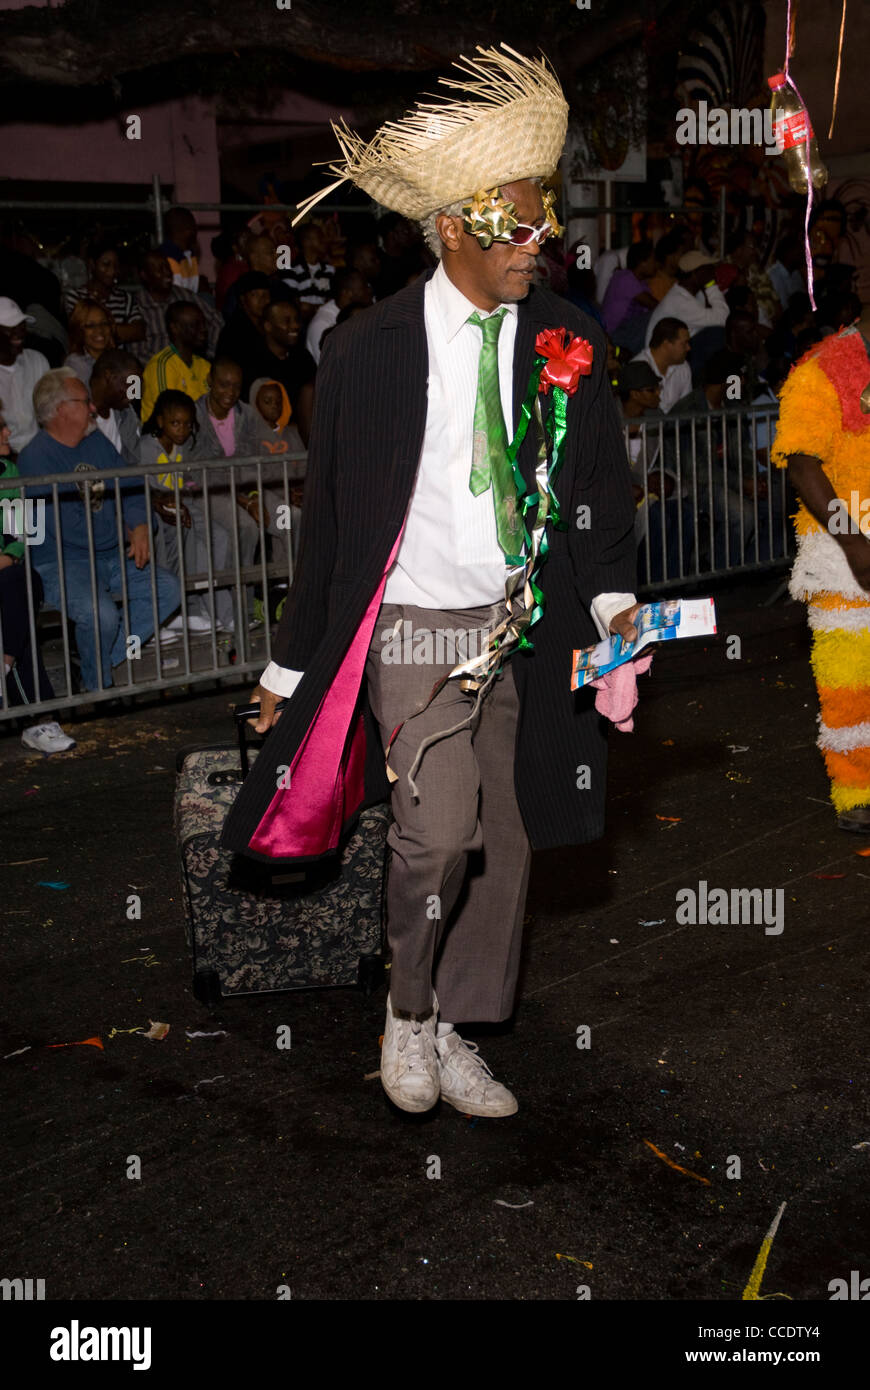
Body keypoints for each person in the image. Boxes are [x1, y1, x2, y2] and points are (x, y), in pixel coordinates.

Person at [221, 45, 640, 1119]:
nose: (538, 244)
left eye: (543, 225)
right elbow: (332, 529)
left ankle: (456, 1025)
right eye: (517, 227)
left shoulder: (570, 339)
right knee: (439, 833)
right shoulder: (366, 352)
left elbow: (598, 491)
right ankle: (407, 1011)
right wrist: (287, 669)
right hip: (413, 626)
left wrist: (614, 611)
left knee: (510, 838)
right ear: (453, 227)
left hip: (526, 627)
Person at [17, 369, 180, 691]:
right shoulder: (34, 459)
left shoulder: (95, 442)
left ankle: (97, 663)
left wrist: (140, 524)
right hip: (62, 562)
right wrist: (125, 530)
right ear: (61, 409)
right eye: (84, 401)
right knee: (101, 614)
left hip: (108, 554)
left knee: (168, 590)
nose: (93, 408)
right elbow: (68, 529)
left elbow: (131, 484)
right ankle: (99, 687)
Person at [772, 309, 870, 832]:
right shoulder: (823, 370)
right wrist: (853, 542)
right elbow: (802, 462)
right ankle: (857, 791)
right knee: (849, 681)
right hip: (842, 556)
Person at [0, 401, 75, 751]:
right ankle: (39, 719)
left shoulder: (8, 471)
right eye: (0, 427)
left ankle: (6, 663)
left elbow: (20, 533)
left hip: (4, 571)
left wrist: (6, 556)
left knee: (23, 585)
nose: (8, 432)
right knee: (17, 608)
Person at [189, 358, 264, 631]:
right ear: (210, 381)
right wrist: (243, 501)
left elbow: (252, 461)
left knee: (286, 519)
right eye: (223, 385)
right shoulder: (194, 413)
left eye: (236, 387)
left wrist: (252, 495)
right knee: (245, 526)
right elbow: (200, 469)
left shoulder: (246, 414)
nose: (230, 393)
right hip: (205, 490)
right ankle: (235, 609)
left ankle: (274, 599)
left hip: (241, 487)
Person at [617, 360, 693, 582]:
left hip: (646, 490)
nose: (659, 393)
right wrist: (628, 486)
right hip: (613, 492)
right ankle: (647, 583)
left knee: (685, 512)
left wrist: (666, 477)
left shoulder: (655, 416)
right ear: (634, 394)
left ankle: (673, 583)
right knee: (658, 516)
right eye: (652, 389)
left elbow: (668, 458)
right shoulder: (608, 417)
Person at [134, 250, 221, 366]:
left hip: (193, 364)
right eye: (159, 269)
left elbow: (216, 321)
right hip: (158, 368)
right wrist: (169, 366)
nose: (167, 272)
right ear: (144, 275)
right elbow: (138, 354)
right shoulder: (137, 305)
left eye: (167, 267)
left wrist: (209, 355)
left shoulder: (184, 295)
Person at [246, 298, 316, 442]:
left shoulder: (302, 357)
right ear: (268, 326)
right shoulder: (253, 362)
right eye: (287, 321)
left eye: (296, 320)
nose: (295, 325)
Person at [62, 239, 145, 347]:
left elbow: (138, 331)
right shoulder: (75, 297)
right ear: (92, 264)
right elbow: (77, 333)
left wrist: (95, 329)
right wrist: (119, 330)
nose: (112, 271)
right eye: (106, 264)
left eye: (116, 266)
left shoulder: (125, 298)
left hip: (117, 357)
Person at [141, 301, 211, 423]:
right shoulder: (162, 365)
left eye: (203, 323)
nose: (203, 329)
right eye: (195, 325)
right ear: (175, 328)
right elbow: (169, 417)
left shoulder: (204, 365)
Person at [645, 250, 729, 347]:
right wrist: (711, 285)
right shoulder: (680, 301)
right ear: (696, 273)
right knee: (719, 334)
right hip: (663, 354)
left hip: (678, 346)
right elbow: (723, 319)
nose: (712, 271)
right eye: (708, 268)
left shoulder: (690, 292)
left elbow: (714, 312)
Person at [0, 298, 49, 452]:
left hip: (40, 448)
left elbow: (50, 413)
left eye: (21, 326)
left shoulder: (37, 361)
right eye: (11, 327)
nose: (19, 332)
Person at [305, 268, 373, 364]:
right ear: (347, 293)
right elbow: (328, 366)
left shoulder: (364, 312)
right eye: (364, 287)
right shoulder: (322, 323)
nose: (369, 290)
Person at [600, 239, 657, 352]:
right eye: (653, 260)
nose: (655, 264)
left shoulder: (641, 282)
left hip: (626, 332)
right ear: (642, 263)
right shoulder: (625, 278)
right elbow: (654, 305)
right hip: (613, 335)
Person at [214, 272, 272, 382]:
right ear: (243, 299)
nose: (262, 300)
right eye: (255, 295)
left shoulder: (270, 324)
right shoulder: (234, 331)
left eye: (266, 295)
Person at [89, 348, 143, 463]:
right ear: (109, 376)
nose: (132, 396)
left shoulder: (126, 412)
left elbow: (139, 457)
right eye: (130, 387)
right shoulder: (76, 413)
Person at [630, 316, 692, 412]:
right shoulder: (637, 369)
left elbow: (687, 409)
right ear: (666, 344)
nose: (688, 348)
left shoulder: (683, 366)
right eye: (684, 343)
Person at [278, 222, 333, 322]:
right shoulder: (291, 271)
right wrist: (320, 308)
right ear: (306, 242)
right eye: (320, 237)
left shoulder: (329, 270)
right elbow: (295, 307)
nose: (325, 241)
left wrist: (311, 308)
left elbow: (331, 302)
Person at [64, 298, 115, 386]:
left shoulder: (118, 359)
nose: (99, 330)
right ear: (78, 330)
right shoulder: (76, 364)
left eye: (104, 323)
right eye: (90, 325)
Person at [159, 208, 202, 292]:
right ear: (186, 230)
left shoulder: (188, 254)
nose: (195, 229)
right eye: (192, 225)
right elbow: (176, 294)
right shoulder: (168, 257)